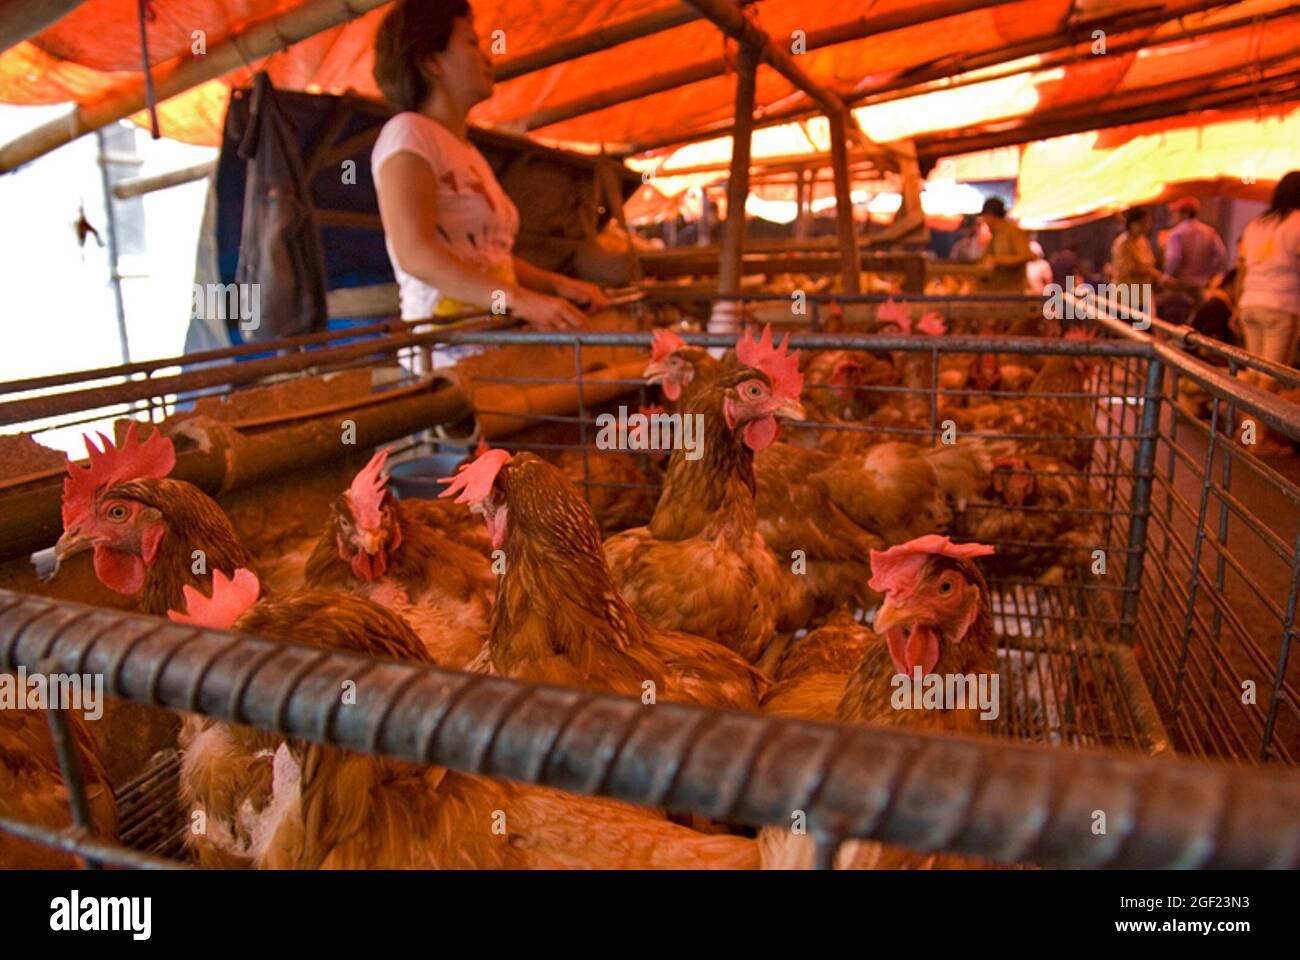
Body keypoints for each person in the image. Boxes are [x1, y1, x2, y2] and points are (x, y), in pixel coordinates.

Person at [370, 0, 605, 332]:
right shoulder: (409, 132)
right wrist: (521, 301)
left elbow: (488, 257)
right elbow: (415, 253)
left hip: (493, 341)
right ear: (431, 61)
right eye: (471, 43)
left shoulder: (467, 152)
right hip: (447, 353)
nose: (487, 56)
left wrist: (556, 285)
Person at [1238, 170, 1300, 386]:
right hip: (1281, 305)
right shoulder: (1297, 222)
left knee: (1253, 374)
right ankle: (1253, 420)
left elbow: (1242, 268)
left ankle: (1245, 420)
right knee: (1270, 380)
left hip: (1250, 303)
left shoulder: (1256, 224)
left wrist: (1238, 306)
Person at [1165, 196, 1227, 296]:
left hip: (1180, 284)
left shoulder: (1176, 233)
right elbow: (1221, 255)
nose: (1173, 216)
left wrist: (1168, 275)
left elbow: (1174, 257)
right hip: (1202, 283)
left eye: (1175, 212)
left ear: (1185, 213)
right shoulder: (1209, 231)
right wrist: (1210, 273)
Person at [976, 197, 1033, 291]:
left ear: (990, 216)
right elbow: (986, 257)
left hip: (1013, 293)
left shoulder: (1013, 232)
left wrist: (997, 261)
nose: (985, 221)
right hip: (997, 290)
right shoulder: (995, 234)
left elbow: (1026, 256)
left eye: (985, 218)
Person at [1111, 206, 1166, 288]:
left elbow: (1150, 262)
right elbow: (1129, 270)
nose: (1147, 226)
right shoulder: (1123, 243)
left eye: (1148, 222)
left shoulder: (1142, 240)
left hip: (1143, 290)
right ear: (1132, 223)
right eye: (1143, 223)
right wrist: (1154, 274)